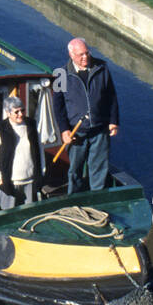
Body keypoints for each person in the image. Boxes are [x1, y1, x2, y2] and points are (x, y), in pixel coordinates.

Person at [51, 38, 120, 194]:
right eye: (81, 55)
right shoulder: (59, 74)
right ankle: (74, 201)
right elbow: (58, 106)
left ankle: (98, 201)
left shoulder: (102, 67)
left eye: (87, 53)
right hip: (77, 133)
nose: (85, 57)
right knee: (75, 170)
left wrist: (113, 121)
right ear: (71, 54)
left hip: (100, 131)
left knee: (99, 168)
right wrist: (64, 130)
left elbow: (111, 96)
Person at [0, 95, 42, 209]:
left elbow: (39, 149)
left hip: (30, 182)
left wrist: (42, 170)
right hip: (10, 183)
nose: (21, 114)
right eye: (16, 112)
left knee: (30, 214)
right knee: (8, 217)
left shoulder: (31, 124)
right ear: (8, 113)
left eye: (22, 110)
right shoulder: (0, 128)